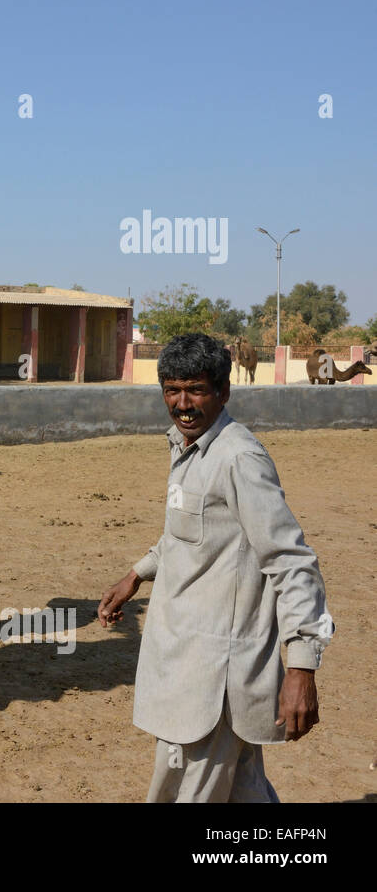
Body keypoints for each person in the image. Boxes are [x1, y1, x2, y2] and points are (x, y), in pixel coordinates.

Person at [98, 333, 334, 802]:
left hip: (215, 679)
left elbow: (291, 562)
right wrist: (138, 574)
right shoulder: (188, 446)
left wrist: (301, 667)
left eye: (196, 390)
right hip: (186, 667)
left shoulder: (238, 458)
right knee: (241, 792)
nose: (182, 403)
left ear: (224, 392)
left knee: (186, 792)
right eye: (172, 389)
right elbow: (186, 530)